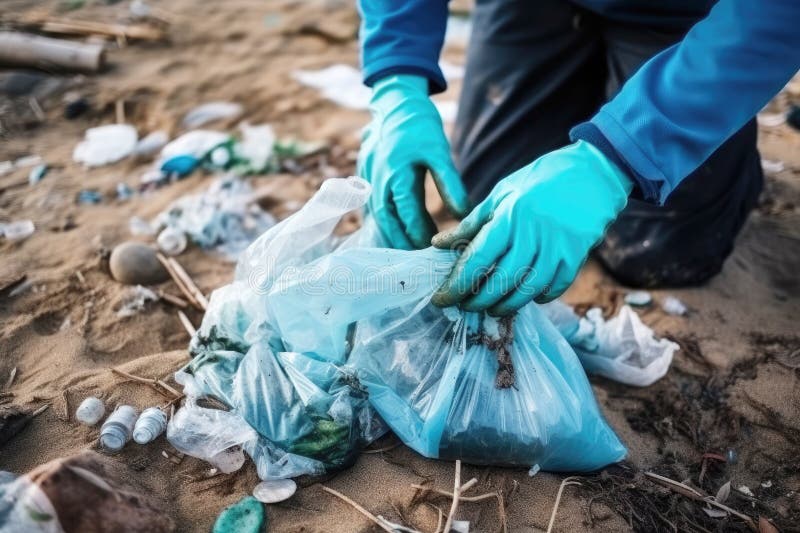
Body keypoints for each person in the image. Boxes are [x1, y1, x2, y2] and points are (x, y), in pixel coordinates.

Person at [356, 0, 800, 316]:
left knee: (656, 255)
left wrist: (613, 161)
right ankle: (604, 108)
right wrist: (398, 79)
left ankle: (720, 152)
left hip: (688, 11)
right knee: (485, 204)